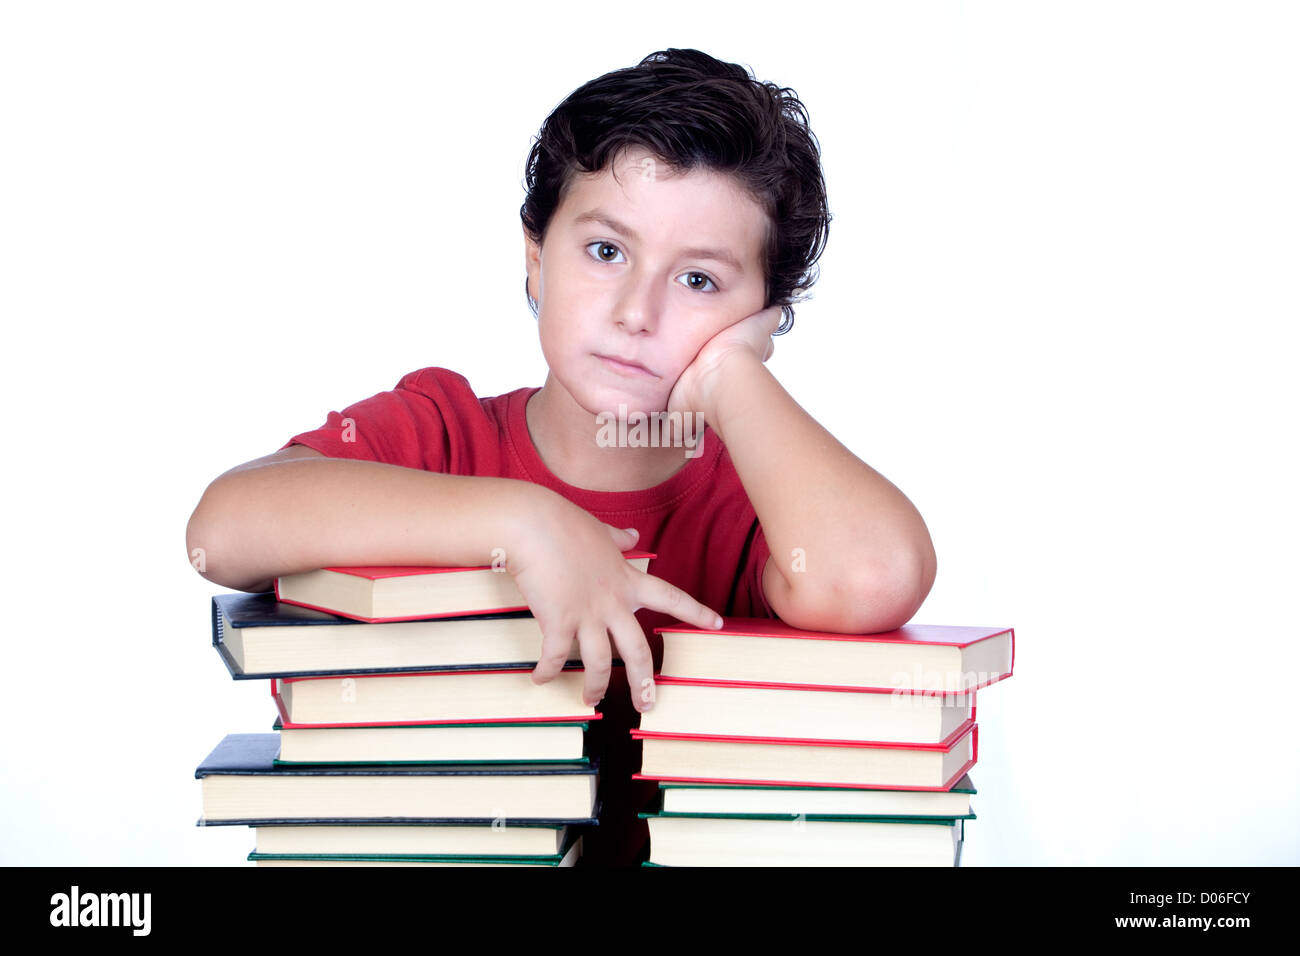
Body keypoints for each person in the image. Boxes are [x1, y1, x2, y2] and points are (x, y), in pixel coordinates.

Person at [185, 48, 938, 866]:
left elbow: (872, 575)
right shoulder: (442, 436)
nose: (635, 312)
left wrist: (730, 377)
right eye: (606, 252)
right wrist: (521, 520)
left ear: (762, 320)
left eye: (698, 281)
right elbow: (220, 532)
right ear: (537, 256)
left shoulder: (757, 505)